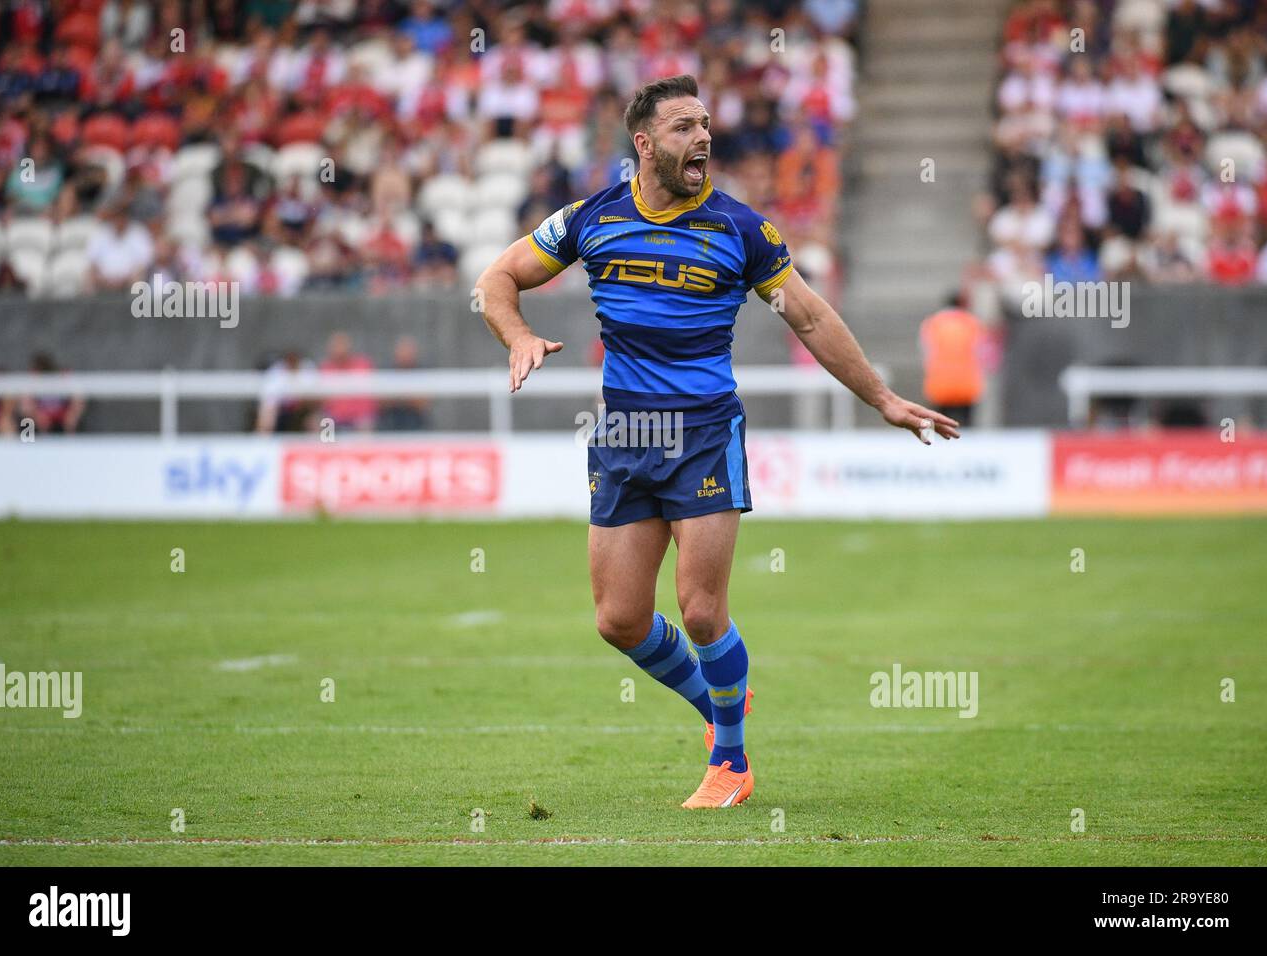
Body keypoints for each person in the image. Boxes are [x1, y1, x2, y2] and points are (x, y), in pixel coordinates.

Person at [475, 75, 959, 810]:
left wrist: (883, 398)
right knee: (618, 620)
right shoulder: (590, 219)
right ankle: (721, 706)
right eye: (682, 128)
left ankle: (730, 763)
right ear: (643, 145)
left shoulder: (741, 229)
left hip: (703, 432)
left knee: (701, 611)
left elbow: (811, 318)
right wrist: (516, 337)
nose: (702, 137)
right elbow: (498, 277)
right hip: (625, 434)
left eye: (704, 124)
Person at [919, 294, 986, 426]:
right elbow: (980, 351)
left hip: (939, 382)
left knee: (940, 424)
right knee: (967, 425)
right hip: (967, 383)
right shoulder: (971, 322)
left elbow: (926, 351)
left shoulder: (933, 323)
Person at [19, 352, 85, 434]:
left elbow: (78, 398)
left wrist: (72, 413)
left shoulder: (63, 377)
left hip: (62, 413)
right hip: (41, 413)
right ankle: (37, 444)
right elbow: (25, 406)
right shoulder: (32, 380)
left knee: (72, 420)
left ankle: (71, 444)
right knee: (27, 421)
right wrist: (36, 414)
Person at [378, 336, 430, 431]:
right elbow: (382, 402)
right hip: (391, 420)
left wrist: (396, 395)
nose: (406, 356)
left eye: (409, 352)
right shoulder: (387, 371)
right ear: (396, 353)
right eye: (403, 351)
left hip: (415, 420)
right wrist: (409, 396)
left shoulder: (421, 372)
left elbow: (422, 403)